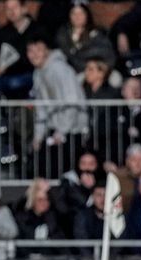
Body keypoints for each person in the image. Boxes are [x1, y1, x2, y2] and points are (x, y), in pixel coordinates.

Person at [28, 37, 88, 179]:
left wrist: (62, 131)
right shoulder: (37, 73)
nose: (34, 54)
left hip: (73, 130)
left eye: (38, 50)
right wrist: (38, 135)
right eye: (30, 51)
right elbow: (40, 106)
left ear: (47, 51)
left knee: (65, 172)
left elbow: (72, 101)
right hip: (54, 130)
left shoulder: (60, 69)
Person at [0, 0, 45, 99]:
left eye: (14, 8)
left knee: (15, 83)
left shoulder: (38, 31)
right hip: (6, 76)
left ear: (24, 9)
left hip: (32, 74)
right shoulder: (1, 33)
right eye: (8, 9)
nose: (11, 11)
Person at [55, 1, 115, 72]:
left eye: (81, 13)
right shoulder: (63, 34)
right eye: (74, 13)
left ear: (87, 15)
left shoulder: (96, 34)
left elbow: (107, 55)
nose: (77, 17)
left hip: (92, 72)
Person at [14, 178, 65, 255]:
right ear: (33, 200)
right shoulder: (23, 218)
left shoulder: (54, 218)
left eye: (46, 199)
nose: (43, 203)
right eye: (40, 200)